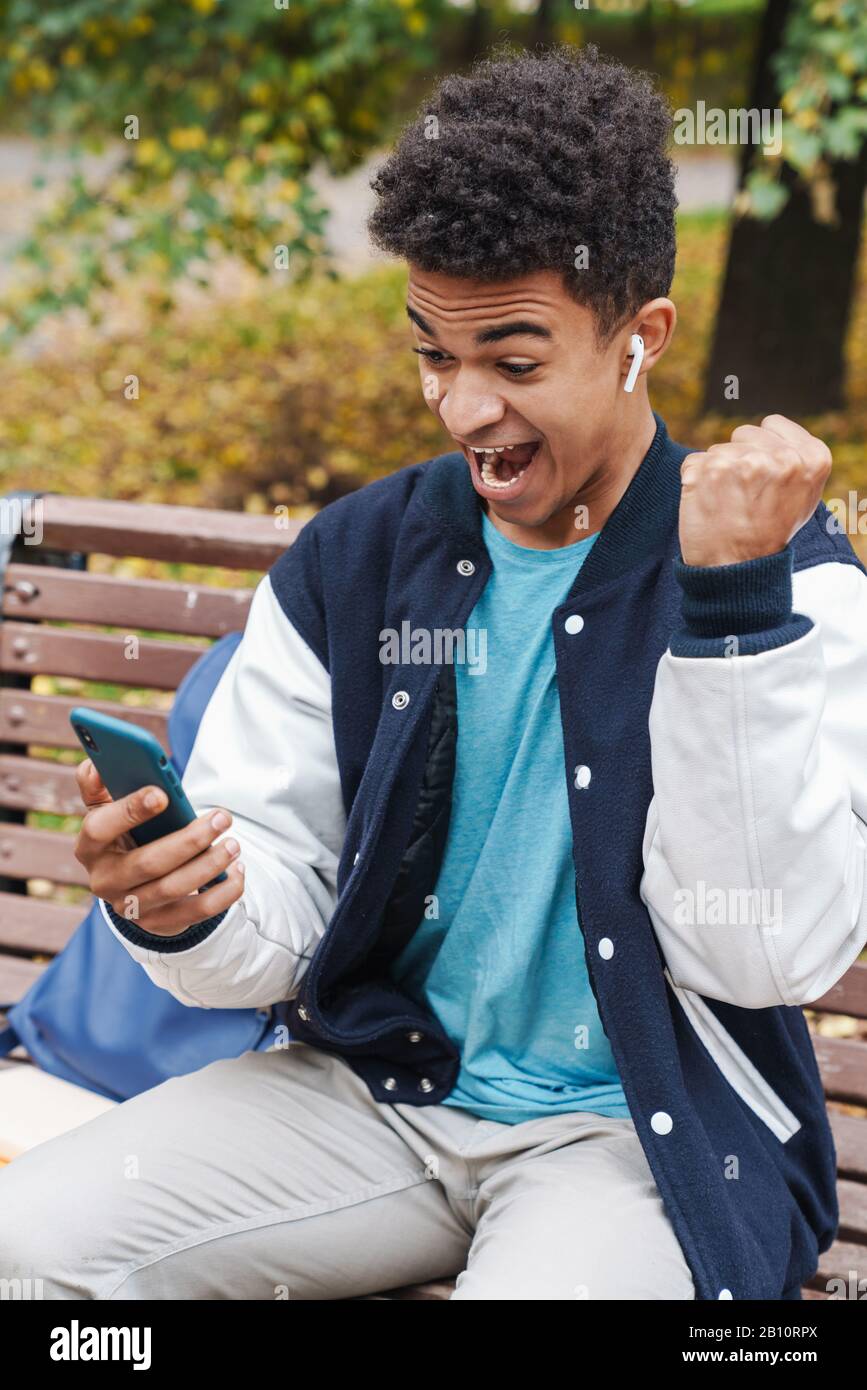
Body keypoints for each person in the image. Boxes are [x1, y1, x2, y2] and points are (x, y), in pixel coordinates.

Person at [2, 44, 864, 1302]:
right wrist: (183, 907)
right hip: (379, 1095)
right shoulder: (353, 561)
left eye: (515, 363)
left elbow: (768, 959)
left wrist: (731, 614)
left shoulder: (784, 573)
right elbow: (277, 927)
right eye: (433, 354)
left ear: (642, 339)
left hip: (639, 1139)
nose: (463, 409)